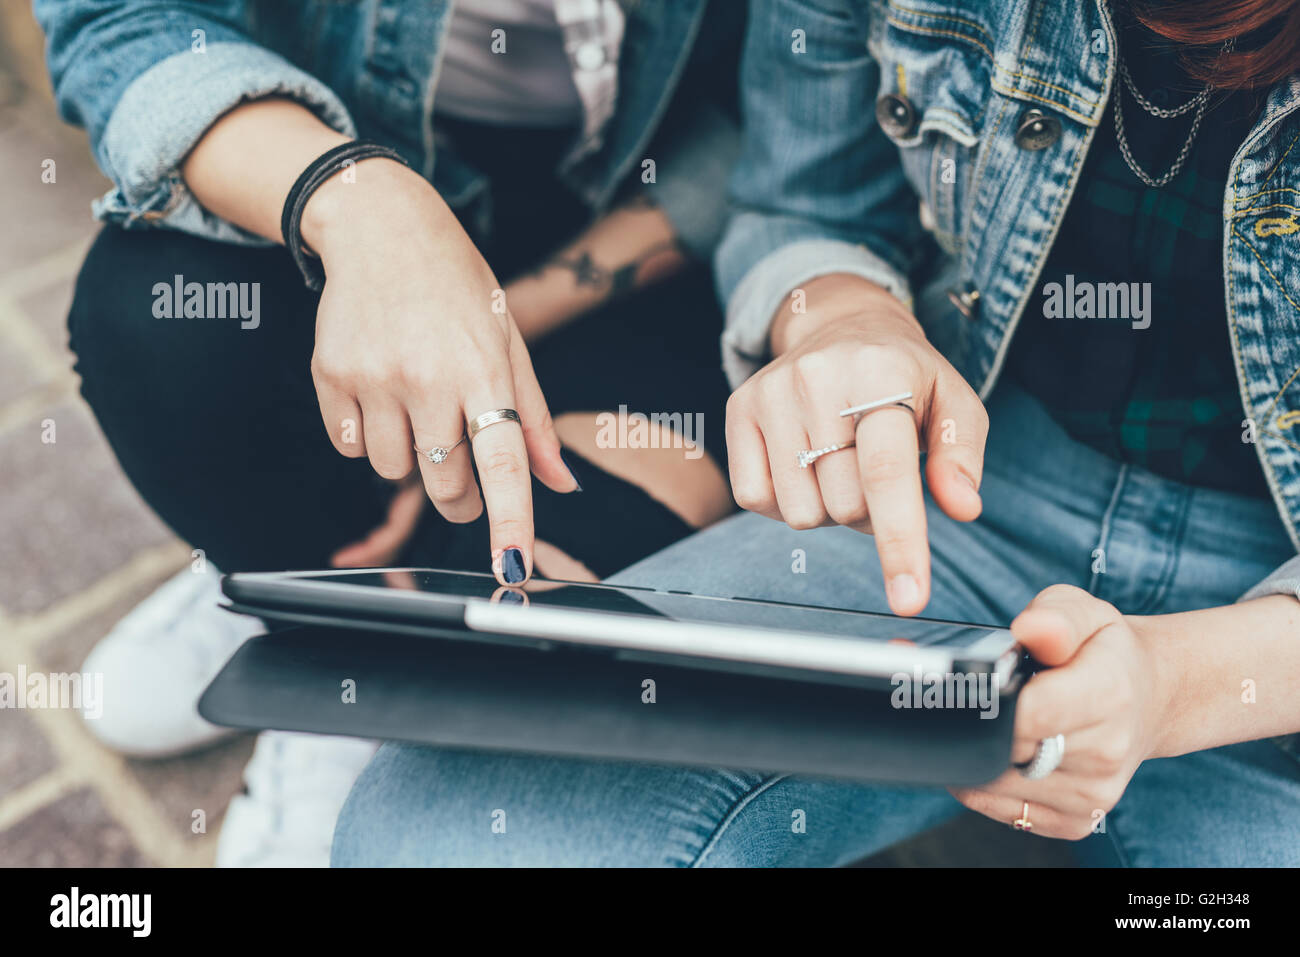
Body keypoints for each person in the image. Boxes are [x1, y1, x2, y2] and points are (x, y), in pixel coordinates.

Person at [333, 0, 1300, 866]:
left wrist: (1172, 688)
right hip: (956, 493)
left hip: (1270, 622)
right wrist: (843, 317)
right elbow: (799, 202)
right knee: (439, 826)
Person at [35, 0, 741, 864]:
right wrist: (365, 209)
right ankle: (292, 602)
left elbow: (765, 133)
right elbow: (119, 22)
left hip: (625, 252)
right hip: (308, 161)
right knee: (159, 319)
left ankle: (358, 644)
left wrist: (475, 325)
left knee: (551, 594)